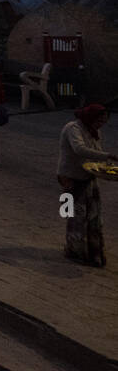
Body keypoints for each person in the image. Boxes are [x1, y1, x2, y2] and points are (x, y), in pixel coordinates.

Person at [57, 104, 117, 266]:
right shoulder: (73, 128)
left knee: (94, 216)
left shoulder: (94, 131)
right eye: (99, 121)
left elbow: (95, 151)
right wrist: (108, 156)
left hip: (88, 176)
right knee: (74, 216)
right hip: (70, 177)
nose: (100, 125)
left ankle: (94, 251)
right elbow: (79, 149)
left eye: (103, 122)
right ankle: (75, 250)